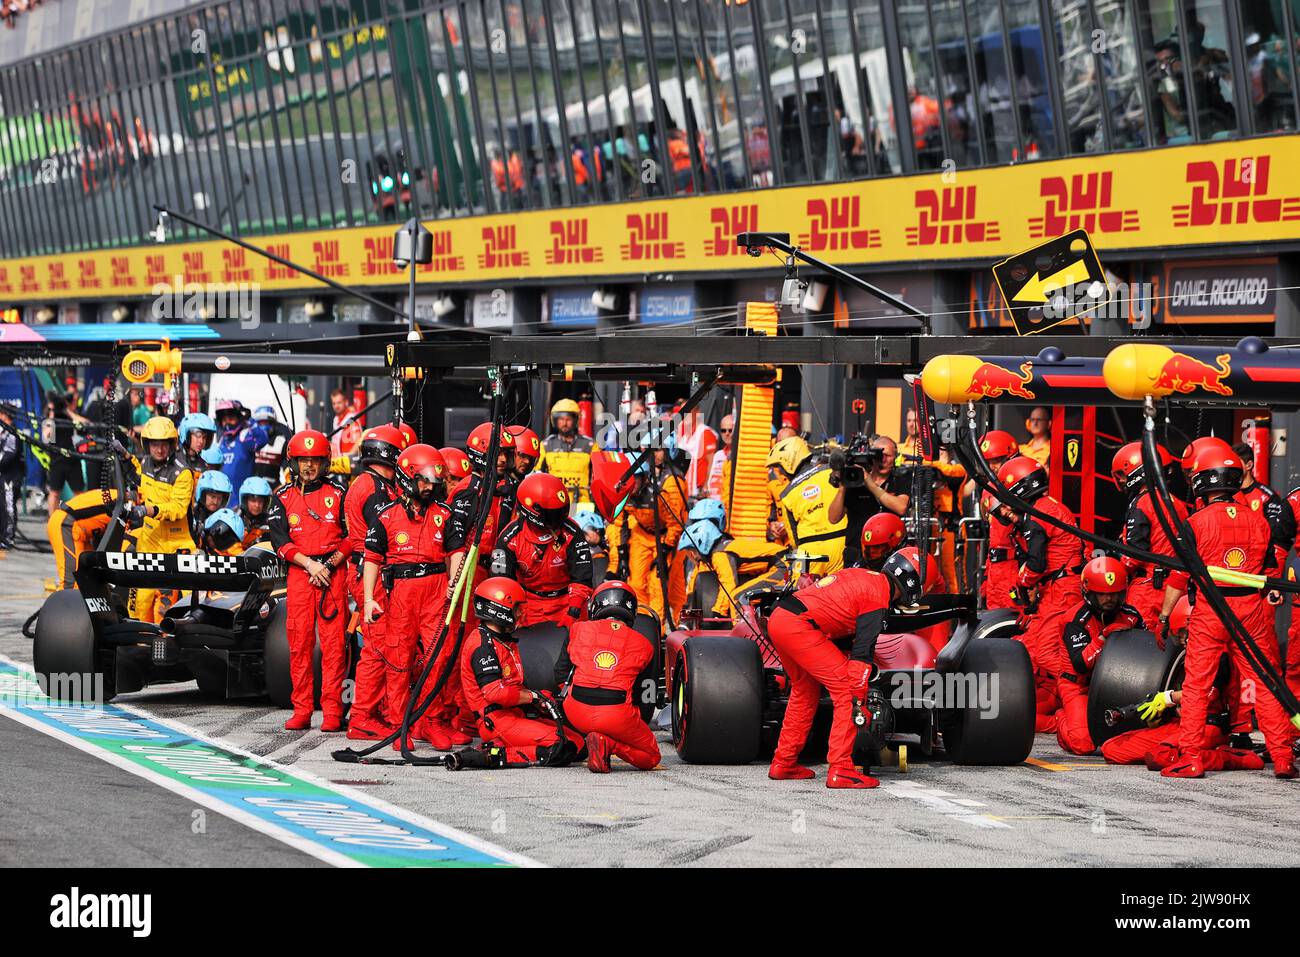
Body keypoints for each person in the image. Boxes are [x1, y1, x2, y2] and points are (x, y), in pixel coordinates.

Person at [1157, 439, 1296, 778]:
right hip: (1250, 608)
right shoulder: (1259, 521)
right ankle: (1282, 759)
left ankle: (1190, 757)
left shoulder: (1195, 522)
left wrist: (1163, 616)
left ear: (1204, 480)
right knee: (1266, 682)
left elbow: (1178, 576)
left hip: (1211, 608)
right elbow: (1267, 571)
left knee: (1197, 685)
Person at [766, 548, 934, 789]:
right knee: (846, 690)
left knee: (805, 691)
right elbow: (861, 655)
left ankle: (783, 762)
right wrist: (859, 699)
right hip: (799, 626)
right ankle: (841, 769)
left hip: (781, 618)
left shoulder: (865, 576)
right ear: (914, 585)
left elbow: (839, 626)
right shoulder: (878, 596)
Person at [361, 443, 456, 751]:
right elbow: (372, 558)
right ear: (407, 477)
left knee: (436, 658)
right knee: (398, 659)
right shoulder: (386, 516)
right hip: (401, 591)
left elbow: (455, 552)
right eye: (424, 480)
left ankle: (431, 722)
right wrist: (367, 599)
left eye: (434, 481)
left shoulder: (445, 515)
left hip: (437, 588)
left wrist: (454, 583)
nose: (430, 487)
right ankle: (400, 725)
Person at [266, 429, 349, 732]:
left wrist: (327, 565)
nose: (309, 467)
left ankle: (332, 711)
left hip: (333, 575)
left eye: (315, 461)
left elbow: (352, 537)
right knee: (299, 644)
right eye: (303, 461)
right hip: (301, 574)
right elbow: (279, 541)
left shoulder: (340, 494)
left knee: (334, 646)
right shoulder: (282, 497)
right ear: (293, 462)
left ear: (325, 462)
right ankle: (302, 708)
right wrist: (311, 565)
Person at [996, 455, 1083, 733]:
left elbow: (1035, 564)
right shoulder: (1048, 507)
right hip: (1059, 588)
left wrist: (1022, 579)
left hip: (1062, 590)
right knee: (1030, 646)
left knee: (1046, 653)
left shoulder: (1038, 515)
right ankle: (1065, 697)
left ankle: (1081, 695)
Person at [457, 577, 585, 766]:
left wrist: (541, 699)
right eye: (516, 608)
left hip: (513, 714)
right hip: (495, 720)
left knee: (580, 744)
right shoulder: (482, 645)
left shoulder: (503, 640)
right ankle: (498, 755)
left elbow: (513, 685)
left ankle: (502, 746)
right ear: (499, 609)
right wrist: (533, 696)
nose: (519, 613)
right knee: (561, 747)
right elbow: (495, 693)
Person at [555, 580, 661, 773]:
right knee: (652, 756)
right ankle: (611, 744)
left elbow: (561, 674)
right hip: (616, 714)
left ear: (595, 605)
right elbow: (646, 692)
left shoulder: (577, 630)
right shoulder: (645, 644)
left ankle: (589, 739)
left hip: (576, 712)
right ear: (632, 610)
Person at [342, 425, 405, 741]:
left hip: (371, 571)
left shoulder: (372, 483)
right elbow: (389, 534)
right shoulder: (376, 491)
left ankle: (374, 711)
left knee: (383, 645)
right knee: (379, 648)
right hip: (373, 573)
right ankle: (363, 716)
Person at [1052, 557, 1144, 755]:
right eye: (1102, 595)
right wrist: (1104, 638)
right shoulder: (1073, 620)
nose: (1109, 600)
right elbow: (1080, 665)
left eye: (1114, 594)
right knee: (1083, 744)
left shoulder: (1132, 615)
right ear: (1089, 593)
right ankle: (1062, 716)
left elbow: (1147, 651)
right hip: (1078, 685)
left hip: (1117, 682)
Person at [491, 472, 593, 629]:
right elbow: (502, 584)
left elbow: (582, 577)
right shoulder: (508, 539)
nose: (560, 518)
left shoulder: (572, 533)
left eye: (562, 511)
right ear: (533, 511)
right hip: (528, 607)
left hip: (568, 603)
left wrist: (573, 611)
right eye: (554, 514)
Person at [607, 443, 687, 622]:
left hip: (663, 538)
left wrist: (666, 550)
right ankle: (643, 622)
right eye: (627, 480)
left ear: (644, 477)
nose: (630, 485)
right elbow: (620, 524)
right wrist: (622, 554)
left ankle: (657, 628)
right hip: (641, 536)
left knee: (657, 584)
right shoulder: (625, 494)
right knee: (635, 582)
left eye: (634, 479)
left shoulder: (659, 496)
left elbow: (675, 523)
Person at [1113, 441, 1188, 627]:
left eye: (1122, 474)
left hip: (1147, 588)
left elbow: (1135, 556)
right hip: (1176, 588)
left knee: (1137, 645)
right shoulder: (1178, 504)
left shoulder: (1142, 503)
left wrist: (1115, 568)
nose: (1121, 480)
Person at [131, 416, 195, 624]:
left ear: (172, 444)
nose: (159, 449)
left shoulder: (182, 473)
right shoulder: (144, 464)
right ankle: (138, 642)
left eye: (164, 444)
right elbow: (138, 481)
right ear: (147, 445)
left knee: (182, 601)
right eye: (154, 444)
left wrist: (150, 510)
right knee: (141, 601)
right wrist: (124, 457)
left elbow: (178, 509)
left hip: (177, 545)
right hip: (149, 541)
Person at [767, 435, 846, 576]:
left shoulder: (787, 494)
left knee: (800, 596)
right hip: (841, 545)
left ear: (788, 462)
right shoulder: (830, 471)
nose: (780, 472)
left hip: (808, 553)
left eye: (779, 467)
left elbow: (794, 540)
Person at [676, 518, 786, 618]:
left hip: (784, 565)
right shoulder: (723, 547)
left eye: (694, 550)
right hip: (781, 563)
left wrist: (718, 611)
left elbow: (728, 584)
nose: (694, 556)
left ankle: (743, 636)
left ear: (703, 543)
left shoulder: (720, 554)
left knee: (738, 597)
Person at [827, 434, 908, 569]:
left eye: (888, 456)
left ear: (895, 457)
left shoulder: (900, 479)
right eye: (878, 455)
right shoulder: (856, 479)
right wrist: (843, 484)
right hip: (856, 554)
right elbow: (833, 518)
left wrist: (870, 484)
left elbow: (901, 507)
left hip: (887, 555)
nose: (883, 459)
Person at [1232, 442, 1295, 573]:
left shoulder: (1267, 496)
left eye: (1237, 464)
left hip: (1260, 564)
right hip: (1233, 560)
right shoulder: (1228, 493)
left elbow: (1276, 538)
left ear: (1249, 465)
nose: (1233, 468)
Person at [976, 430, 1021, 610]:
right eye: (987, 462)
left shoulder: (1021, 484)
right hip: (994, 568)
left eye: (996, 460)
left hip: (1014, 566)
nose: (991, 466)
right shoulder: (988, 489)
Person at [47, 488, 120, 589]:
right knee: (72, 583)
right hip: (66, 525)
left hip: (80, 530)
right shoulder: (126, 504)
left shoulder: (122, 497)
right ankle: (66, 603)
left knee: (90, 580)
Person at [538, 398, 594, 505]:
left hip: (583, 503)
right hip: (554, 501)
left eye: (568, 419)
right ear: (555, 421)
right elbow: (535, 474)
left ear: (576, 420)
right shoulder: (546, 445)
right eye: (561, 419)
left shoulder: (590, 445)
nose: (564, 423)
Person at [42, 392, 87, 513]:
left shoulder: (69, 416)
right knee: (54, 493)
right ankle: (52, 521)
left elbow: (86, 423)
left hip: (72, 460)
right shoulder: (48, 420)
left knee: (79, 493)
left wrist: (67, 412)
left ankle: (82, 519)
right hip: (57, 461)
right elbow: (46, 437)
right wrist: (52, 415)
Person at [215, 399, 269, 495]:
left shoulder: (244, 437)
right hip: (222, 500)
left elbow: (263, 439)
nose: (227, 423)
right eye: (224, 420)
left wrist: (249, 420)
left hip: (241, 500)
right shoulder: (220, 441)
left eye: (231, 419)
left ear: (239, 418)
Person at [190, 470, 233, 547]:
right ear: (202, 494)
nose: (216, 501)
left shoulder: (225, 519)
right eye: (212, 496)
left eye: (219, 498)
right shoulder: (191, 514)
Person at [252, 405, 292, 481]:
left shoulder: (281, 441)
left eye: (266, 422)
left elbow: (287, 468)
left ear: (273, 423)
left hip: (273, 486)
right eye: (260, 423)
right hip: (251, 486)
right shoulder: (249, 441)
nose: (263, 426)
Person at [0, 405, 21, 549]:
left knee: (8, 505)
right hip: (3, 473)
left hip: (10, 475)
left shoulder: (12, 432)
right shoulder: (3, 430)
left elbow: (10, 454)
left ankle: (8, 537)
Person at [177, 412, 218, 478]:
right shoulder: (172, 458)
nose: (201, 441)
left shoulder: (203, 465)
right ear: (186, 434)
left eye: (204, 437)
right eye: (198, 435)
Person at [237, 476, 273, 548]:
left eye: (260, 501)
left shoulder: (270, 521)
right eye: (253, 501)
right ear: (245, 500)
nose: (257, 505)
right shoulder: (235, 519)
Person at [706, 413, 734, 500]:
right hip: (714, 508)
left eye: (730, 430)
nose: (727, 433)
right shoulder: (718, 455)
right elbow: (709, 482)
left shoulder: (740, 455)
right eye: (723, 430)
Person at [329, 389, 360, 459]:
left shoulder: (351, 419)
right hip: (338, 463)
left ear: (346, 402)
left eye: (339, 403)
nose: (336, 406)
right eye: (334, 403)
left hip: (349, 463)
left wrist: (346, 459)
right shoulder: (336, 419)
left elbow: (358, 443)